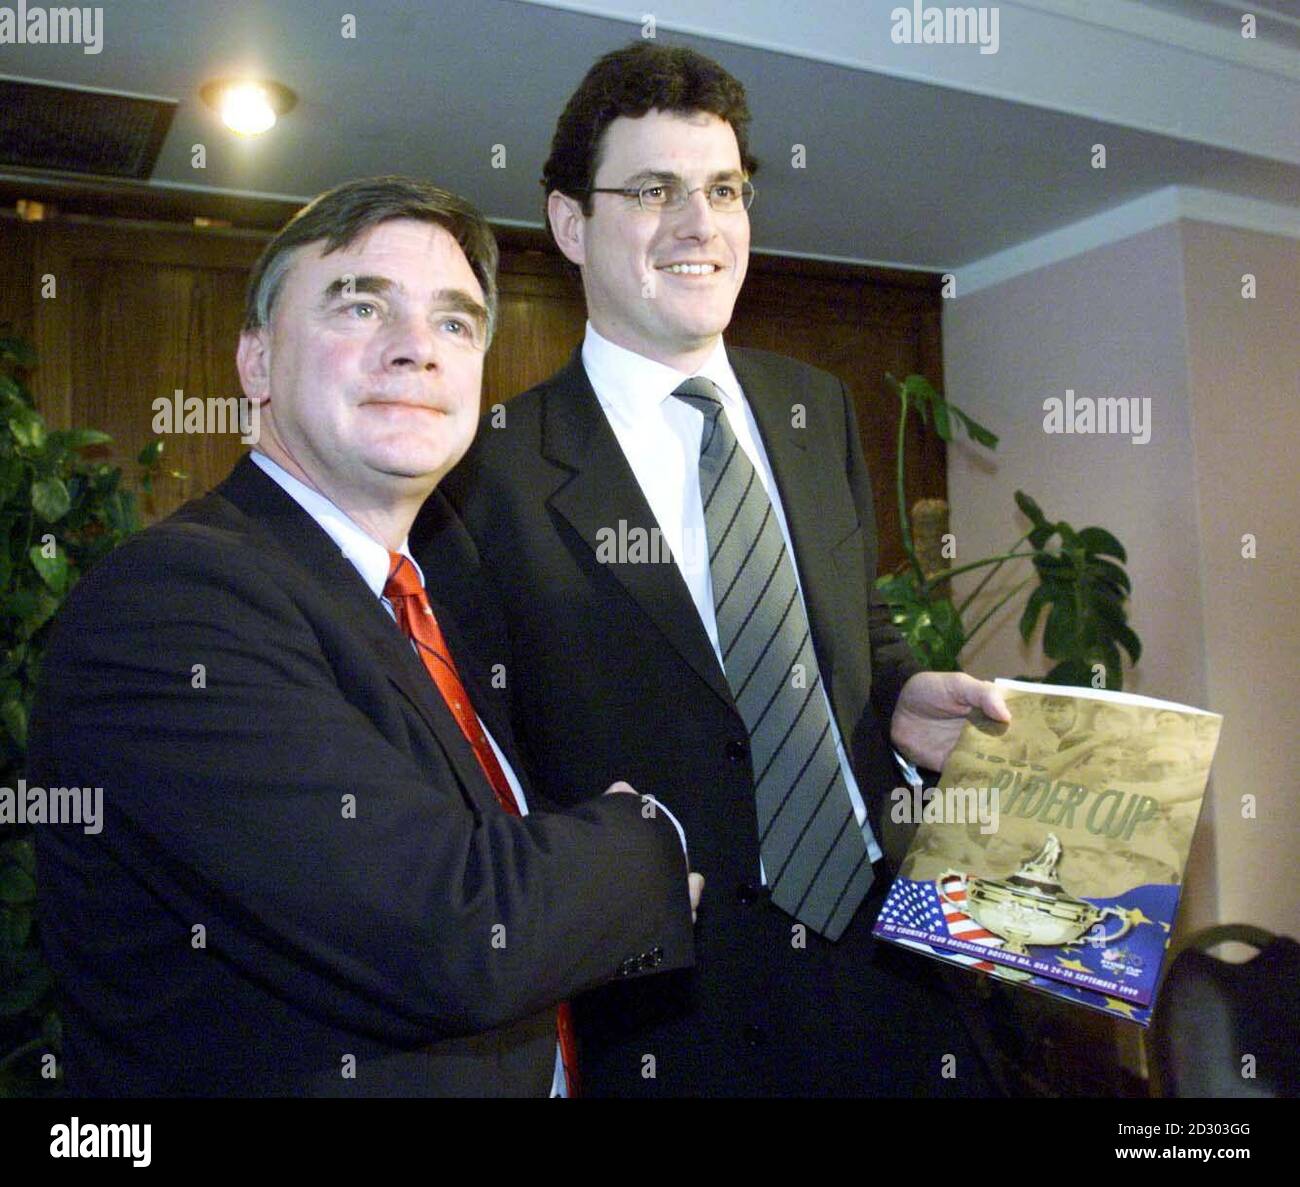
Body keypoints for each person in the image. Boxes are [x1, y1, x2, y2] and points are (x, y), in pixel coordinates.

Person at [29, 176, 698, 1098]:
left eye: (456, 324)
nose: (417, 349)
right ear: (256, 364)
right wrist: (646, 836)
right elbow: (456, 932)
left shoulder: (437, 600)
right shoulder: (172, 602)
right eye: (359, 305)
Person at [432, 44, 1011, 1096]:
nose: (700, 224)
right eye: (654, 190)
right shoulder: (483, 470)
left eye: (724, 189)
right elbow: (485, 772)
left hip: (898, 953)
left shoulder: (815, 405)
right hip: (676, 1007)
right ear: (570, 223)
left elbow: (851, 619)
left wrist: (900, 691)